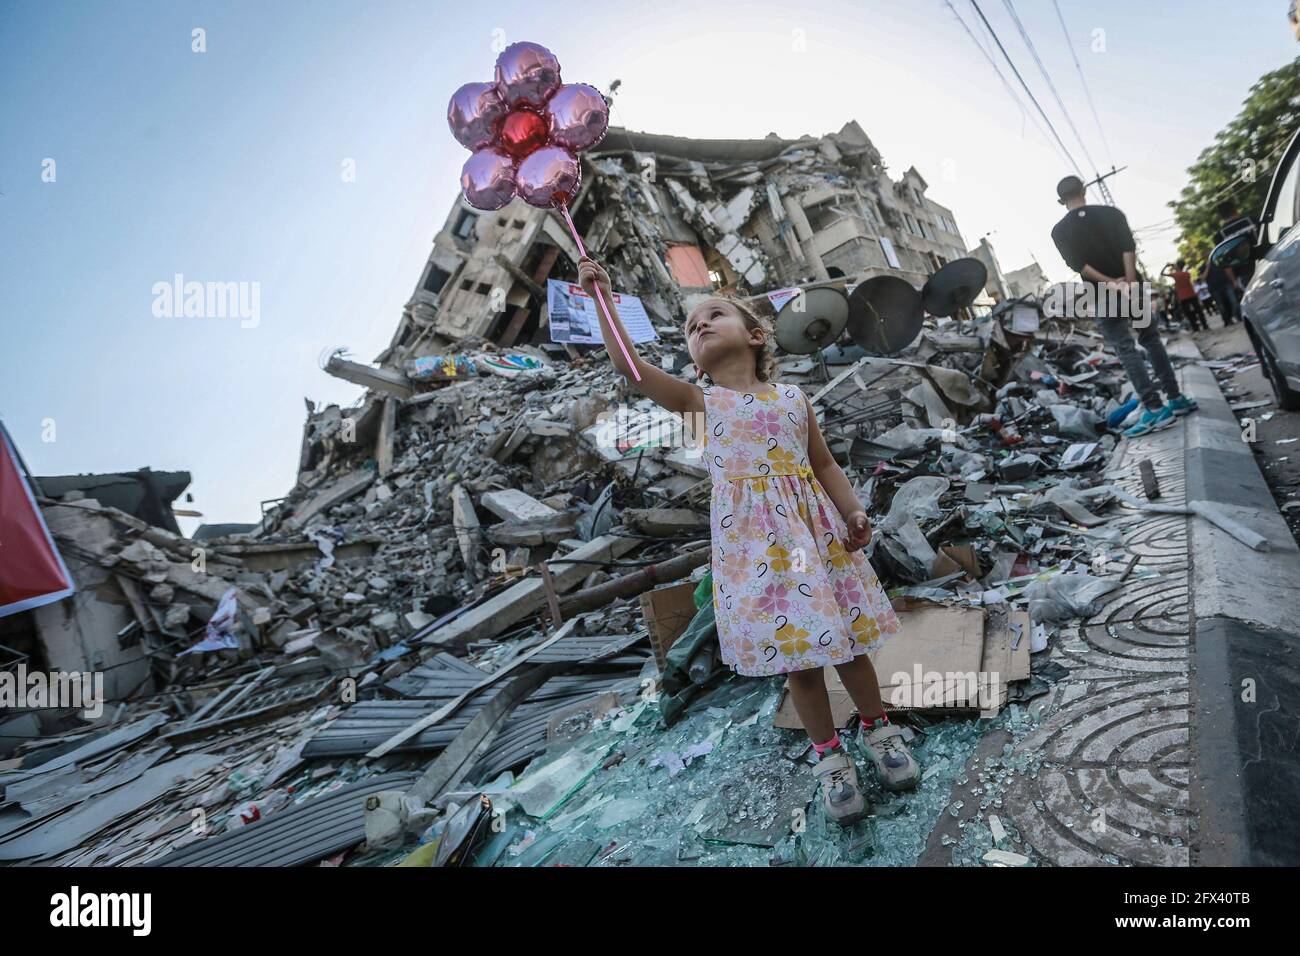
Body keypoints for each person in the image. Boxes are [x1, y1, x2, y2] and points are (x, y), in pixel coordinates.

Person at [576, 255, 919, 825]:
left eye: (713, 314)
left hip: (815, 535)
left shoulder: (792, 399)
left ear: (757, 335)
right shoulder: (698, 404)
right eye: (691, 327)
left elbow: (825, 464)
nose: (700, 325)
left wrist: (854, 509)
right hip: (758, 549)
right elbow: (633, 371)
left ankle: (879, 729)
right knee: (799, 658)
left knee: (850, 641)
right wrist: (602, 302)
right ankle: (829, 758)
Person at [1049, 175, 1197, 435]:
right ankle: (1176, 399)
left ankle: (1154, 409)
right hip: (1133, 287)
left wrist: (1112, 284)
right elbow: (1128, 248)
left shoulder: (1059, 231)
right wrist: (1128, 280)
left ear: (1061, 201)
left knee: (1126, 349)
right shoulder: (1112, 214)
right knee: (1151, 340)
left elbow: (1079, 265)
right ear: (1084, 190)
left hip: (1101, 293)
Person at [1162, 261, 1207, 331]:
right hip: (1192, 295)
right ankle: (1205, 325)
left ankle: (1195, 328)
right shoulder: (1187, 273)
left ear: (1177, 266)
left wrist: (1166, 266)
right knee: (1199, 311)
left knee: (1188, 314)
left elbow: (1162, 273)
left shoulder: (1175, 274)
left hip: (1183, 297)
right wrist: (1177, 267)